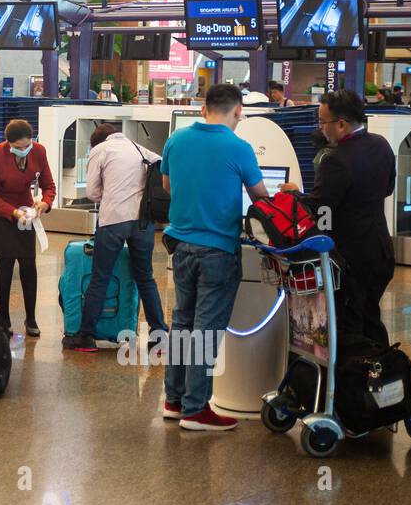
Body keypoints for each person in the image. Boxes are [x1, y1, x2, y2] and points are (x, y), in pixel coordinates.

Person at [159, 83, 270, 431]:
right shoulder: (239, 147)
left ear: (204, 107)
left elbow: (167, 186)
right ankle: (196, 409)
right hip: (219, 250)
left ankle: (174, 401)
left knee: (182, 324)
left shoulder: (176, 140)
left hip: (181, 246)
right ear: (238, 111)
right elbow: (261, 198)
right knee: (206, 329)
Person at [282, 90, 396, 347]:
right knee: (370, 316)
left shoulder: (336, 160)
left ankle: (357, 376)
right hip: (380, 250)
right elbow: (387, 188)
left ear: (342, 123)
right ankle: (381, 373)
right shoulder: (381, 145)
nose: (321, 129)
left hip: (350, 258)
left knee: (350, 323)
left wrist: (296, 194)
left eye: (323, 122)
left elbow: (320, 207)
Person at [65, 123, 169, 353]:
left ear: (97, 141)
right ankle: (159, 334)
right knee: (146, 278)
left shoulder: (100, 151)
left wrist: (112, 194)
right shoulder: (142, 150)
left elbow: (92, 192)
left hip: (113, 219)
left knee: (100, 277)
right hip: (143, 221)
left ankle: (86, 336)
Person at [0, 119, 54, 337]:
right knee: (4, 264)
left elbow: (48, 185)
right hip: (3, 214)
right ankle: (4, 319)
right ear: (9, 144)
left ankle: (31, 318)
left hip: (27, 212)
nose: (24, 150)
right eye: (18, 147)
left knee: (28, 264)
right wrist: (12, 212)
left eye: (27, 145)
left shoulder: (39, 151)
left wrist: (45, 202)